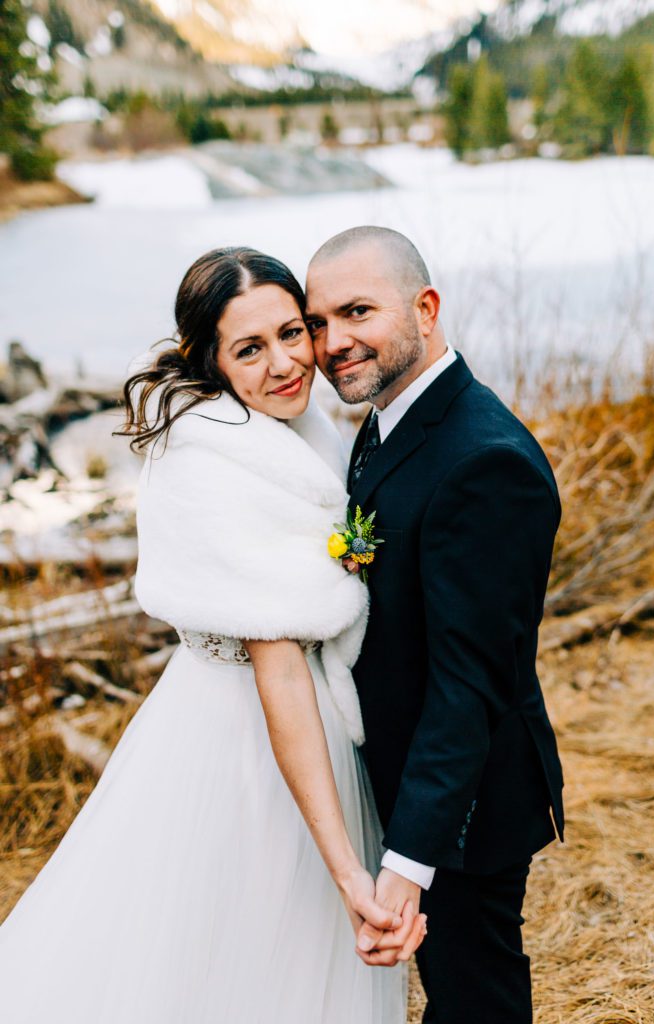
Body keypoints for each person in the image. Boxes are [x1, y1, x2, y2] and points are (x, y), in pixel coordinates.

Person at [0, 247, 421, 1023]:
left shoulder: (287, 426)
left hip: (289, 715)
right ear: (213, 362)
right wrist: (346, 872)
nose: (286, 363)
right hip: (249, 740)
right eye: (249, 350)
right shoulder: (218, 462)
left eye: (292, 333)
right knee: (246, 948)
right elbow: (280, 665)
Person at [305, 226, 565, 1023]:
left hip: (465, 800)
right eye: (315, 323)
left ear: (424, 307)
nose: (331, 343)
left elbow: (469, 683)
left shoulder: (484, 461)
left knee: (473, 995)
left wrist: (409, 856)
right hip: (408, 775)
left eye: (355, 312)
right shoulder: (389, 420)